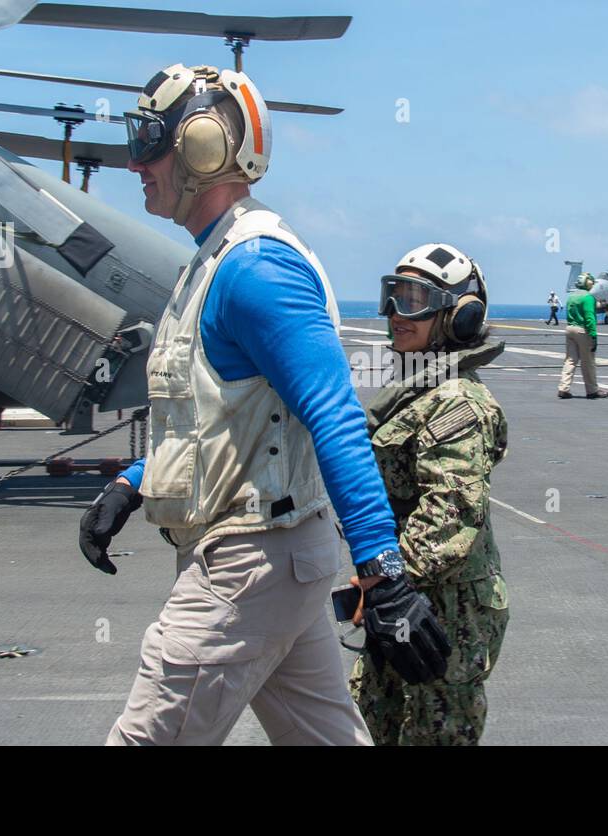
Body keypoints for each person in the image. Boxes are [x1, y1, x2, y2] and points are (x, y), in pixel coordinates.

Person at [79, 63, 450, 745]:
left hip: (247, 565)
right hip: (274, 557)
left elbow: (333, 416)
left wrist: (384, 577)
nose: (135, 163)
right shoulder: (216, 260)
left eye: (149, 141)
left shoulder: (256, 269)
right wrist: (133, 485)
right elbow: (222, 420)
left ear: (202, 147)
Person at [348, 243, 510, 745]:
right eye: (392, 296)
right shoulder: (420, 391)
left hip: (447, 613)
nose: (397, 312)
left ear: (458, 315)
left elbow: (450, 514)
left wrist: (378, 583)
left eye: (415, 298)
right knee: (374, 721)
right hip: (403, 599)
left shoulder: (457, 402)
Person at [557, 273, 608, 399]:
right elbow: (589, 317)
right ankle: (592, 391)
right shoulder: (588, 297)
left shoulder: (571, 296)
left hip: (570, 329)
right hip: (582, 331)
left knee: (570, 360)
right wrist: (593, 335)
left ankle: (563, 388)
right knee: (588, 362)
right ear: (588, 283)